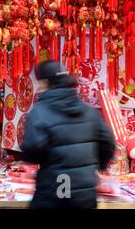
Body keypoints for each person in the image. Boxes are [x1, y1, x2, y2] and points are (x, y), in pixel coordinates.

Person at [21, 60, 115, 209]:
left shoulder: (40, 111)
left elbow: (32, 149)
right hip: (86, 193)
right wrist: (97, 167)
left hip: (57, 188)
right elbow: (108, 144)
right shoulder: (89, 112)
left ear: (45, 83)